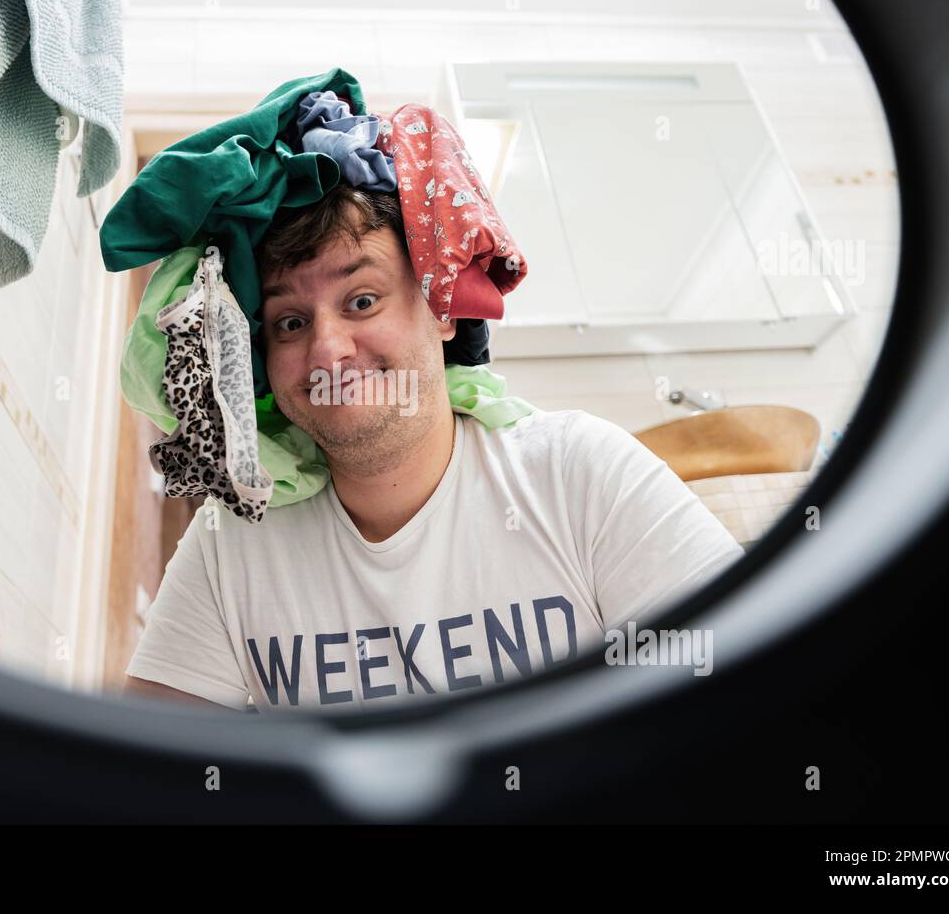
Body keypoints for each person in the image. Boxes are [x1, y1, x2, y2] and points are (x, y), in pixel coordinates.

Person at [124, 186, 743, 713]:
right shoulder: (230, 546)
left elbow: (746, 683)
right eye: (290, 322)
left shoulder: (579, 474)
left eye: (361, 301)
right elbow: (149, 774)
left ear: (442, 309)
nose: (328, 349)